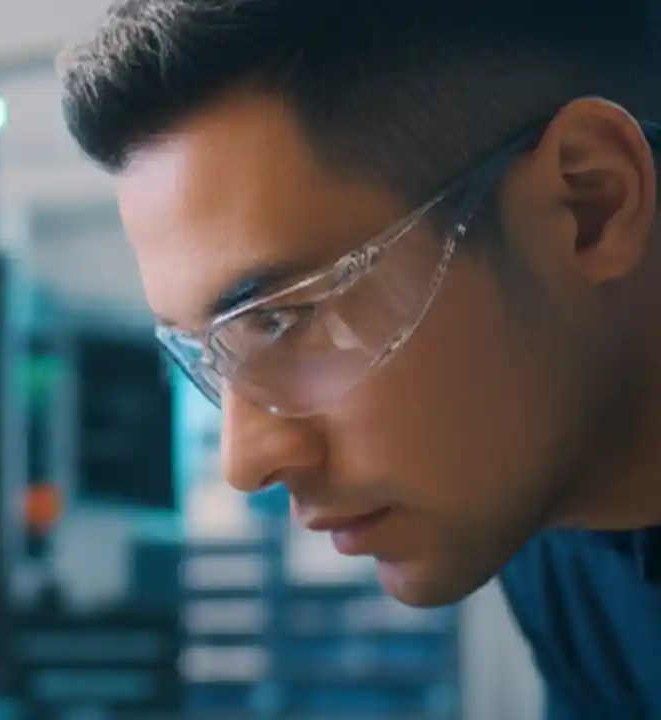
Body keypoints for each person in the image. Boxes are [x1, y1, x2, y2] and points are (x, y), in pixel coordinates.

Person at [60, 0, 661, 715]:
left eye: (286, 319)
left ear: (589, 205)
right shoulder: (552, 517)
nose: (245, 461)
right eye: (209, 355)